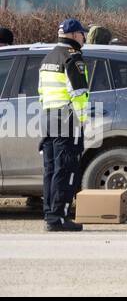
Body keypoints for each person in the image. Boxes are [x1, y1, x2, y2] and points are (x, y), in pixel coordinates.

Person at [38, 19, 90, 232]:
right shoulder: (72, 58)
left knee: (50, 170)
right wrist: (82, 123)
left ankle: (50, 215)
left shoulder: (48, 58)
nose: (85, 37)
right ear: (75, 35)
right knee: (66, 169)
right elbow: (79, 95)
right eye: (83, 34)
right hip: (67, 120)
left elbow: (42, 92)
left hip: (48, 119)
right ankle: (59, 217)